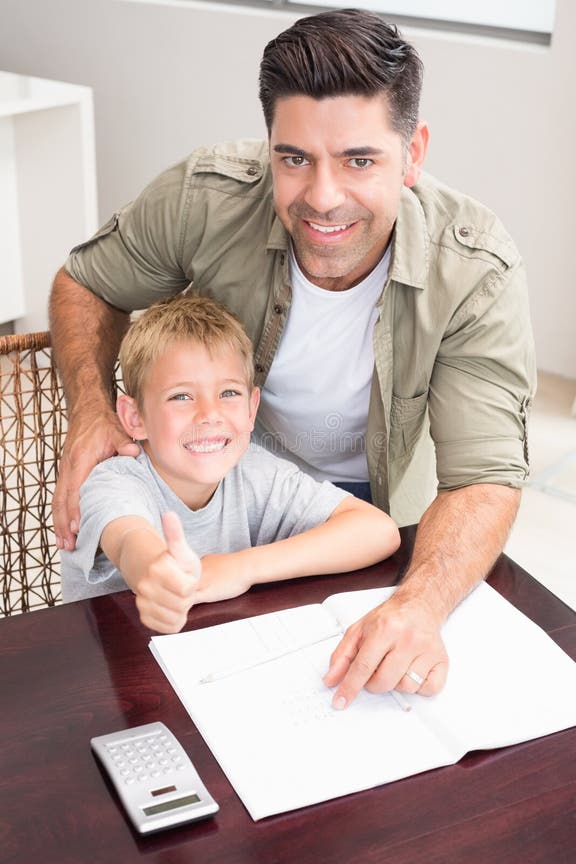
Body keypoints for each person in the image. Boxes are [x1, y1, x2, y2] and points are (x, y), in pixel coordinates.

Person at [50, 9, 535, 707]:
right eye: (295, 159)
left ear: (413, 153)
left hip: (362, 521)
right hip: (226, 491)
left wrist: (420, 602)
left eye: (359, 160)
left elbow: (483, 477)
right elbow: (85, 281)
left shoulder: (474, 268)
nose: (323, 197)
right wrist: (92, 408)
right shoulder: (204, 198)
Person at [60, 293, 400, 634]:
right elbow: (128, 539)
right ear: (135, 418)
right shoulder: (114, 481)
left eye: (228, 393)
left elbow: (377, 530)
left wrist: (239, 568)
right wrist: (155, 570)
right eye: (181, 396)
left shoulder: (253, 471)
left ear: (252, 408)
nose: (210, 415)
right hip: (115, 657)